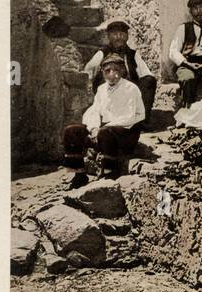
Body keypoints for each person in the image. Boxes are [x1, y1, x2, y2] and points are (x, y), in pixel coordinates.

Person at [63, 53, 146, 187]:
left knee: (106, 132)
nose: (112, 74)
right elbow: (94, 111)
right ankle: (79, 175)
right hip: (105, 131)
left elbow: (129, 117)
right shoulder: (101, 89)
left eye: (116, 70)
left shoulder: (131, 88)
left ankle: (110, 172)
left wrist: (102, 129)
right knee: (72, 130)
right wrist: (93, 128)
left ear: (123, 71)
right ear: (103, 73)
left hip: (126, 133)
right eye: (108, 71)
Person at [84, 20, 157, 123]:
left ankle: (141, 122)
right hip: (110, 94)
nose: (118, 37)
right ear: (108, 36)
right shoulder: (102, 54)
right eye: (115, 34)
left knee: (149, 80)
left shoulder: (133, 55)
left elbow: (146, 74)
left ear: (127, 36)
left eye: (122, 34)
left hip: (128, 95)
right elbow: (88, 74)